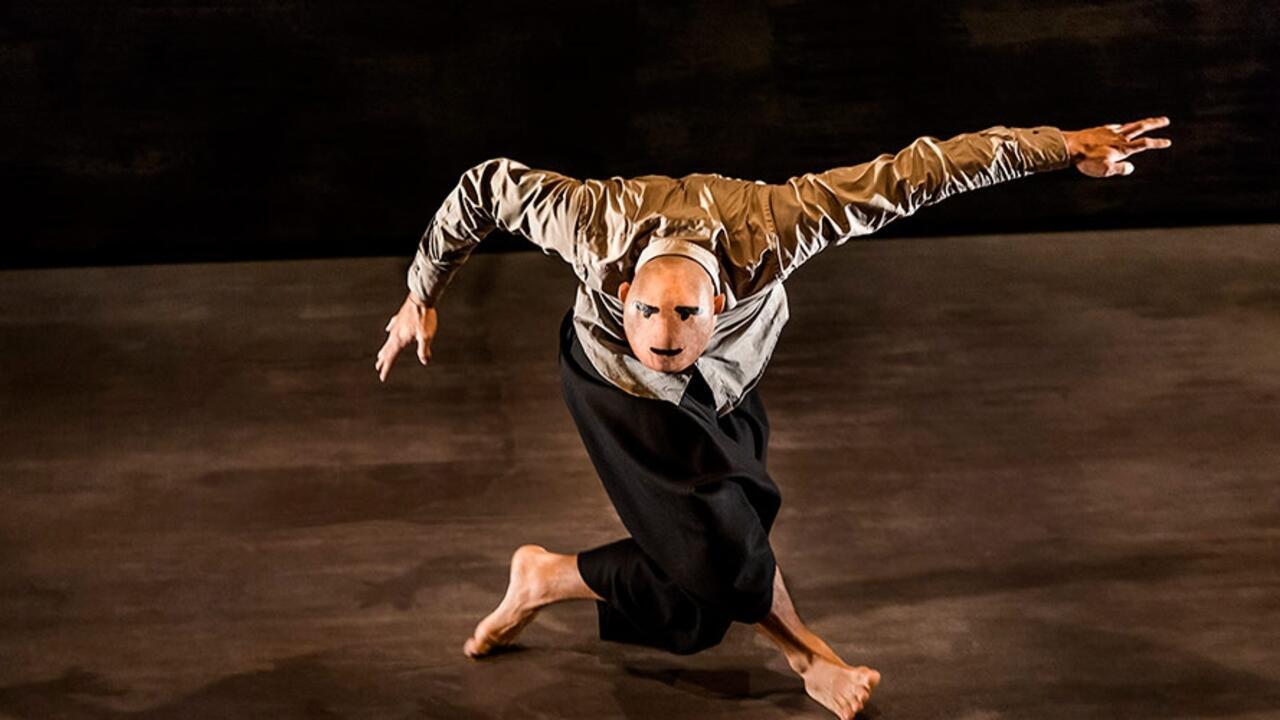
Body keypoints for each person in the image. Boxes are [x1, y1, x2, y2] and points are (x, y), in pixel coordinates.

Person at [375, 116, 1172, 719]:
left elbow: (920, 173)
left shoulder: (779, 226)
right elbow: (484, 187)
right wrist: (421, 293)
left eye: (684, 314)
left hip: (724, 384)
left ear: (720, 302)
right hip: (619, 396)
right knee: (725, 550)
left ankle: (544, 578)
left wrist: (1061, 146)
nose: (661, 336)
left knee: (700, 590)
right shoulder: (591, 226)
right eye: (648, 311)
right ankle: (807, 659)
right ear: (624, 294)